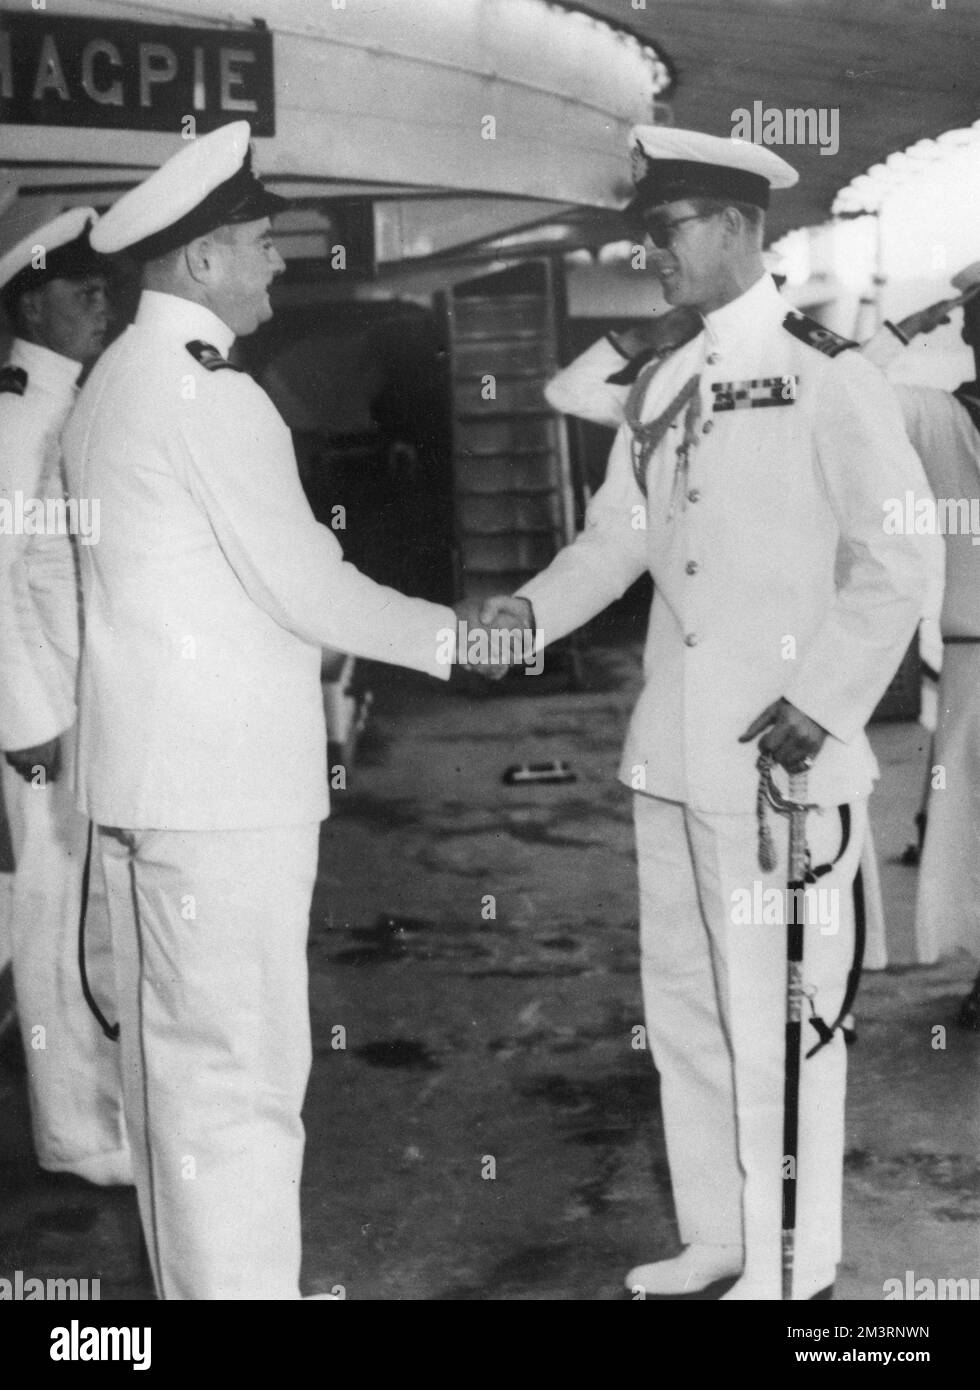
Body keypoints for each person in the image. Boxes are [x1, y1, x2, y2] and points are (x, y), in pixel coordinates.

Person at [481, 125, 932, 1300]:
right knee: (684, 1003)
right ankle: (721, 1235)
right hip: (674, 753)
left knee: (781, 1017)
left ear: (736, 228)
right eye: (646, 233)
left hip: (782, 758)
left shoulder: (832, 374)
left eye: (668, 231)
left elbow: (896, 558)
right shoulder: (668, 381)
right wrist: (521, 616)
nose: (652, 253)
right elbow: (612, 545)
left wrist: (824, 705)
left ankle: (795, 1260)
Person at [59, 121, 471, 1299]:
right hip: (225, 796)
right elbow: (305, 584)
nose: (275, 267)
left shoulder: (109, 386)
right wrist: (463, 638)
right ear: (196, 265)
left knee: (171, 1082)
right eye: (256, 245)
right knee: (238, 1088)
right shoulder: (210, 397)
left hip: (150, 788)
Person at [0, 210, 130, 1186]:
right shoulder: (15, 412)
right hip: (39, 716)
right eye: (84, 292)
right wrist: (32, 726)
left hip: (77, 700)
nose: (103, 307)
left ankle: (94, 1103)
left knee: (85, 920)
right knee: (49, 926)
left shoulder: (61, 402)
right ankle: (73, 1132)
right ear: (30, 299)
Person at [863, 265, 980, 1025]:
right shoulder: (942, 419)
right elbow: (839, 390)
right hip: (975, 657)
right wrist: (901, 330)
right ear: (968, 330)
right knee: (969, 823)